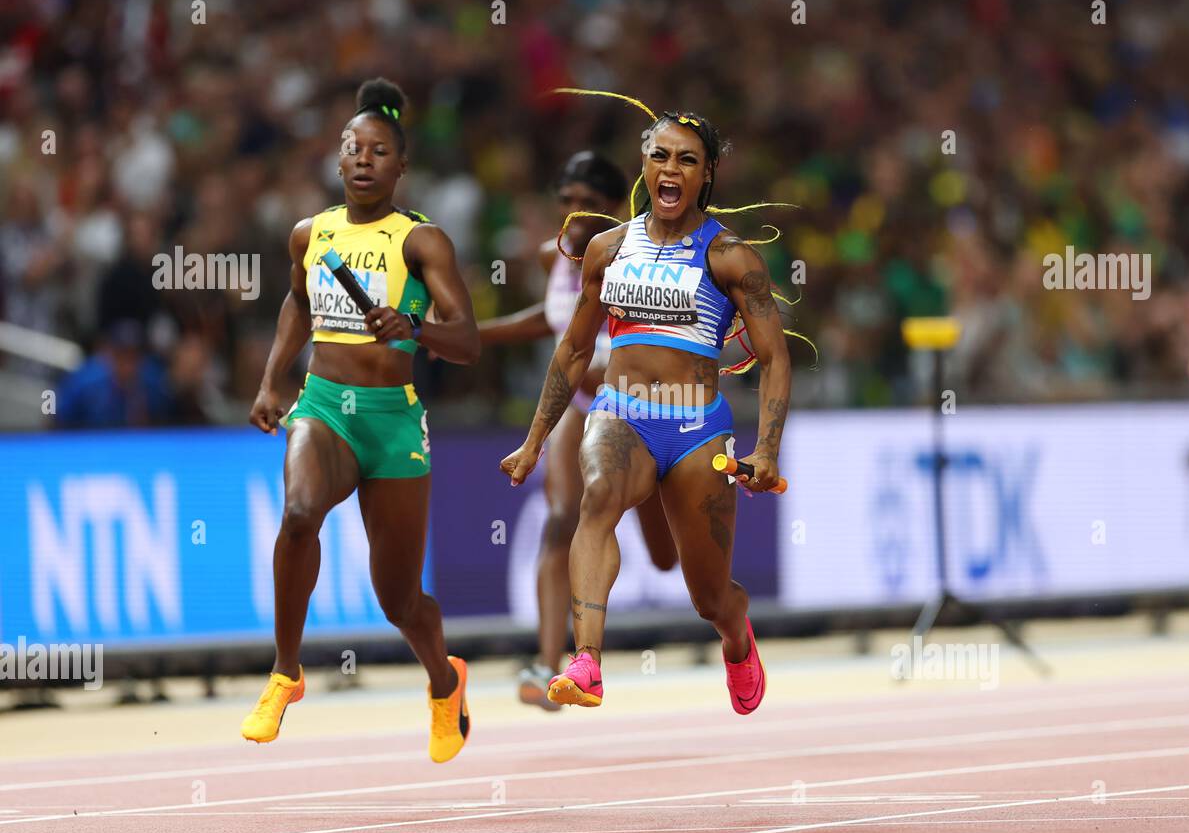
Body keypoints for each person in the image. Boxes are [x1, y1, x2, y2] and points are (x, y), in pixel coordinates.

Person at [501, 103, 791, 715]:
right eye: (660, 155)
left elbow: (775, 357)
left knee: (709, 596)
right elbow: (575, 348)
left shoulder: (731, 258)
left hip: (696, 429)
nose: (670, 169)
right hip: (621, 412)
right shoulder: (607, 250)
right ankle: (586, 661)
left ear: (706, 175)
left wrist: (765, 449)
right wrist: (535, 441)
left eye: (687, 160)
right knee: (598, 496)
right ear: (643, 164)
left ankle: (737, 638)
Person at [244, 78, 480, 761]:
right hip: (323, 406)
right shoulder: (310, 234)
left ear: (400, 166)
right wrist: (271, 382)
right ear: (338, 158)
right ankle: (286, 673)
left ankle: (444, 681)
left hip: (394, 423)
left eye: (378, 150)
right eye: (352, 148)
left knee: (400, 601)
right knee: (297, 515)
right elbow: (295, 304)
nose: (362, 159)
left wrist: (412, 326)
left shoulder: (421, 242)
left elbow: (465, 341)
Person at [479, 151, 678, 709]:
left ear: (616, 208)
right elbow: (552, 320)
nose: (572, 214)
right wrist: (472, 335)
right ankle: (548, 666)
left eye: (587, 205)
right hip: (581, 407)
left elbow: (595, 349)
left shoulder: (638, 258)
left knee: (666, 556)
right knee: (560, 521)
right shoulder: (555, 256)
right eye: (565, 202)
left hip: (641, 411)